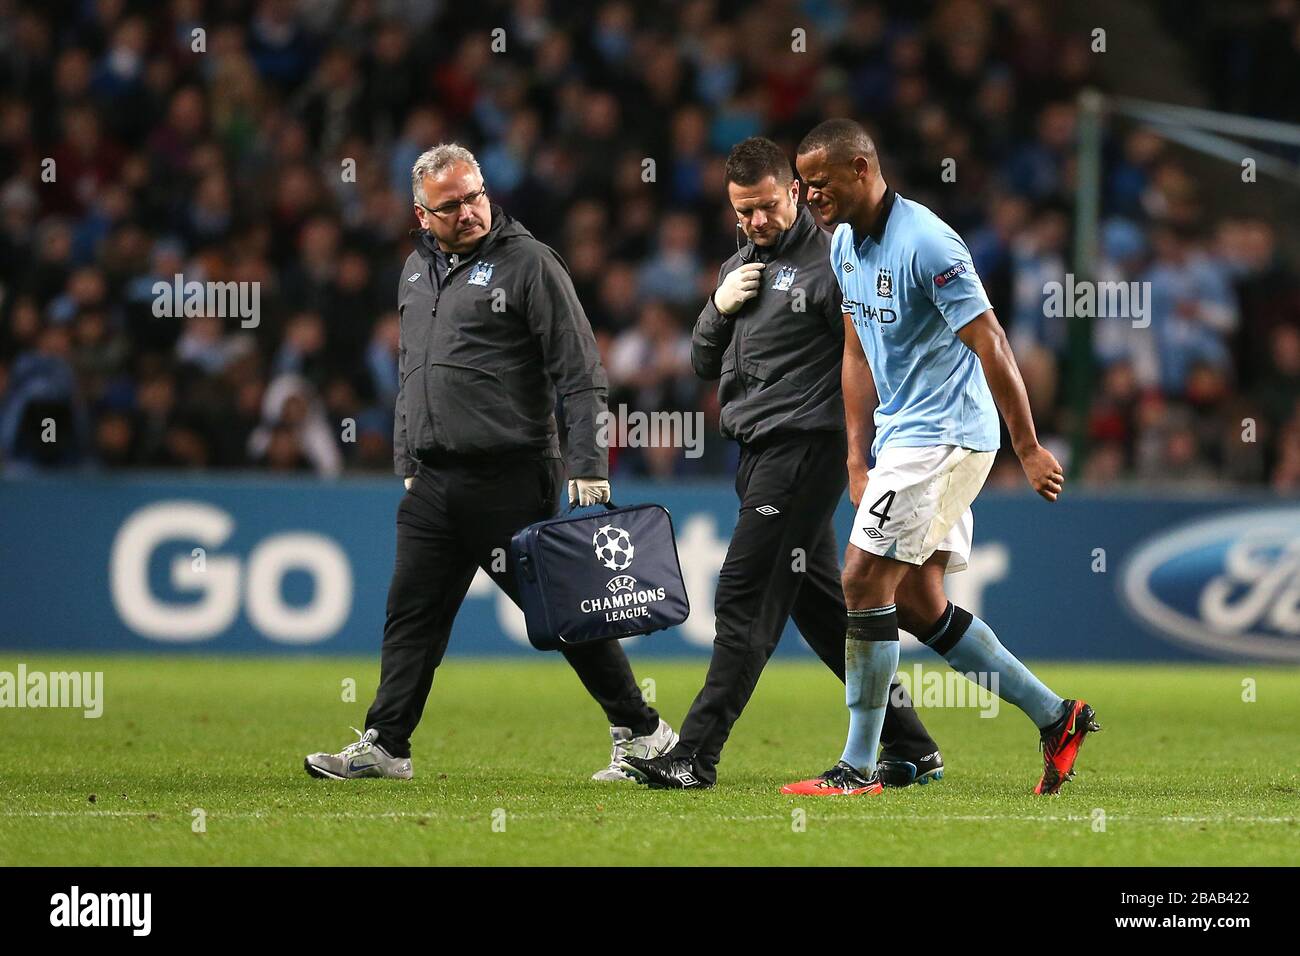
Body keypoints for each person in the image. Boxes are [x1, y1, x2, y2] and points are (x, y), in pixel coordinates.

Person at [304, 144, 675, 781]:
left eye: (475, 195)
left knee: (565, 613)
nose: (470, 211)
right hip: (434, 480)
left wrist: (589, 467)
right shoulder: (414, 274)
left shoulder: (529, 264)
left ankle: (644, 731)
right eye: (451, 205)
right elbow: (410, 374)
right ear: (422, 215)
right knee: (411, 611)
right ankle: (387, 743)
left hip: (510, 474)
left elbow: (581, 372)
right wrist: (407, 460)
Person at [781, 120, 1099, 798]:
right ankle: (1056, 716)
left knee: (861, 581)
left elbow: (992, 342)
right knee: (921, 603)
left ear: (862, 169)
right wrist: (856, 456)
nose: (809, 195)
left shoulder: (927, 243)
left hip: (949, 435)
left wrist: (1030, 445)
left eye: (820, 182)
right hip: (903, 439)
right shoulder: (842, 245)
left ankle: (857, 765)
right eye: (803, 184)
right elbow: (856, 351)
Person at [619, 137, 941, 791]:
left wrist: (864, 453)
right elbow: (705, 363)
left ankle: (694, 756)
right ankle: (913, 745)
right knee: (823, 612)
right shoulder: (740, 266)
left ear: (794, 191)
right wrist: (717, 308)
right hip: (757, 452)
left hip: (804, 449)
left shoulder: (833, 265)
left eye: (766, 206)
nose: (757, 222)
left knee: (743, 597)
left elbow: (871, 361)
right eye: (744, 212)